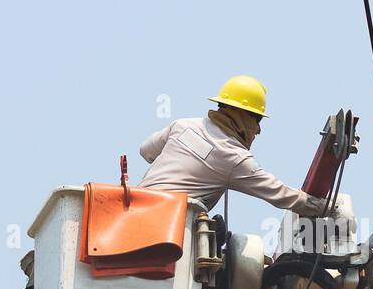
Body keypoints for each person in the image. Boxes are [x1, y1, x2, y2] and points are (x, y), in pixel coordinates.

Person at [138, 75, 327, 217]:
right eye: (258, 120)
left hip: (133, 212)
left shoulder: (183, 125)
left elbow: (146, 151)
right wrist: (328, 207)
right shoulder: (234, 158)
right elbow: (282, 194)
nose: (259, 130)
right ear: (243, 116)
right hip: (170, 228)